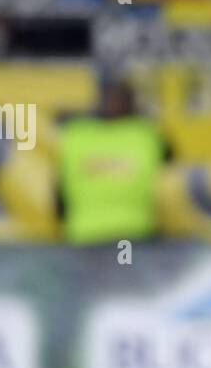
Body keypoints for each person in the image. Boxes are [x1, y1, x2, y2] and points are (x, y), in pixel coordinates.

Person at [58, 81, 165, 245]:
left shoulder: (75, 135)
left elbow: (59, 195)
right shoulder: (146, 134)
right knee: (127, 269)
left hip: (87, 234)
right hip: (131, 233)